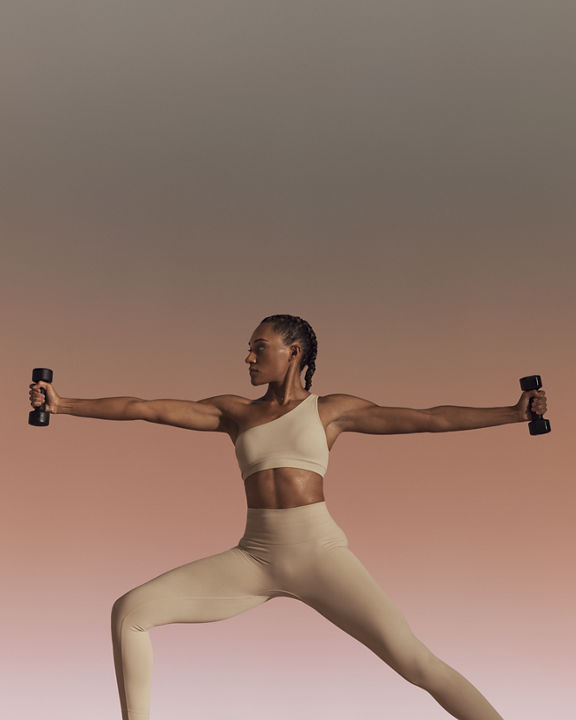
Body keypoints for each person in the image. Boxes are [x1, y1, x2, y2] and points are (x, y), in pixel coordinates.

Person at [29, 313, 547, 720]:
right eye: (250, 347)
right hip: (254, 558)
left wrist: (512, 413)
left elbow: (431, 419)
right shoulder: (235, 412)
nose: (248, 356)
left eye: (259, 346)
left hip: (319, 554)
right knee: (130, 612)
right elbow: (145, 407)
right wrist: (65, 403)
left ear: (293, 352)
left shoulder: (331, 410)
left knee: (416, 664)